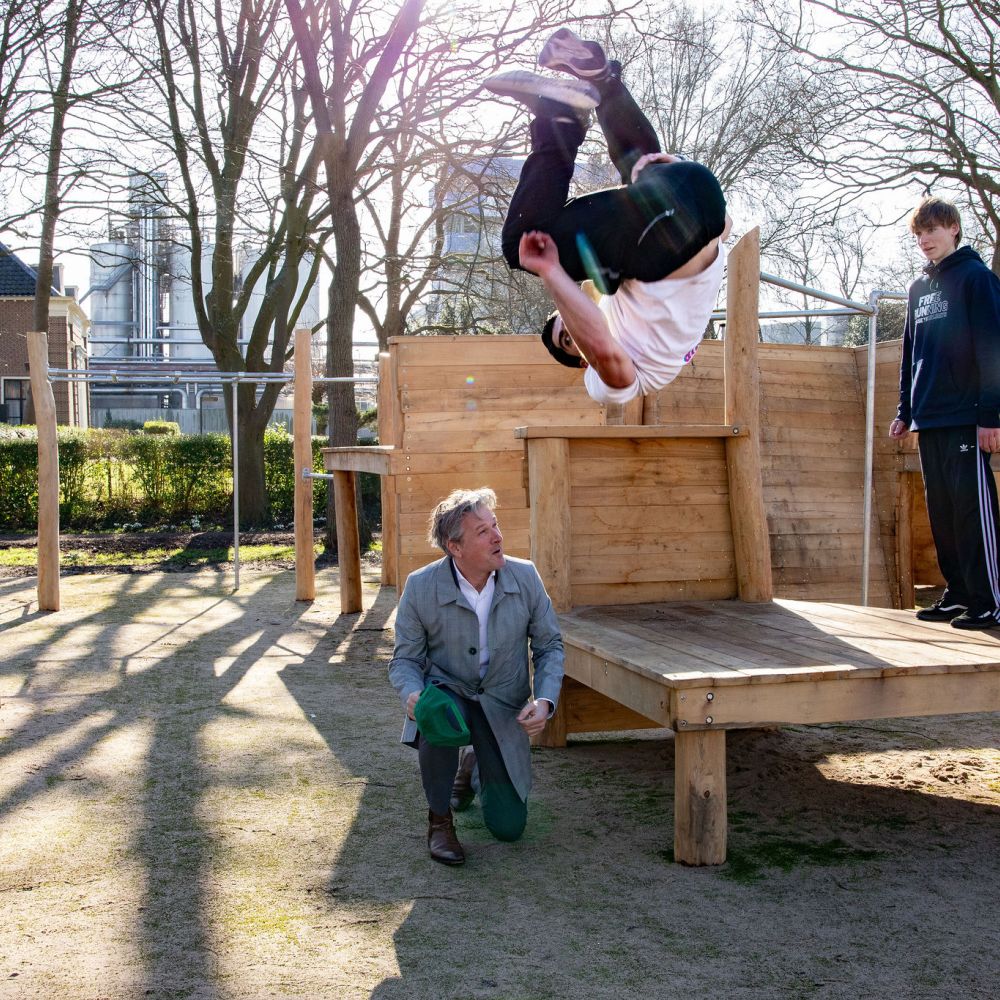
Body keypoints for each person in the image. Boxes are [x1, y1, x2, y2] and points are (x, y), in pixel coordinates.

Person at [485, 28, 732, 406]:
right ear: (583, 363)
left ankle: (601, 83)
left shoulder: (622, 298)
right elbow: (605, 355)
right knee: (518, 243)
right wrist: (550, 271)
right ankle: (563, 120)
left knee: (632, 198)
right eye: (569, 340)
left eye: (561, 326)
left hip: (698, 197)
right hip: (681, 224)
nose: (570, 327)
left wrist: (674, 177)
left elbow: (724, 231)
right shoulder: (616, 382)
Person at [388, 487, 564, 865]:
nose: (498, 536)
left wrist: (545, 701)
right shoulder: (420, 586)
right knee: (436, 711)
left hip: (502, 704)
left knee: (509, 829)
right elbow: (404, 660)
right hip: (449, 694)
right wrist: (412, 694)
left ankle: (470, 767)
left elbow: (550, 646)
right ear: (455, 547)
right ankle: (439, 821)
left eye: (495, 525)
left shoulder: (526, 577)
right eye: (483, 532)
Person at [890, 196, 1000, 630]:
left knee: (973, 512)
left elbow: (993, 350)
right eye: (918, 234)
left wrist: (991, 416)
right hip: (929, 418)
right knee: (942, 514)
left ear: (953, 228)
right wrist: (905, 409)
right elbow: (910, 354)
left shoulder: (976, 279)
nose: (924, 240)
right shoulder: (918, 290)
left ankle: (990, 600)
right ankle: (958, 594)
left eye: (931, 230)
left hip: (967, 416)